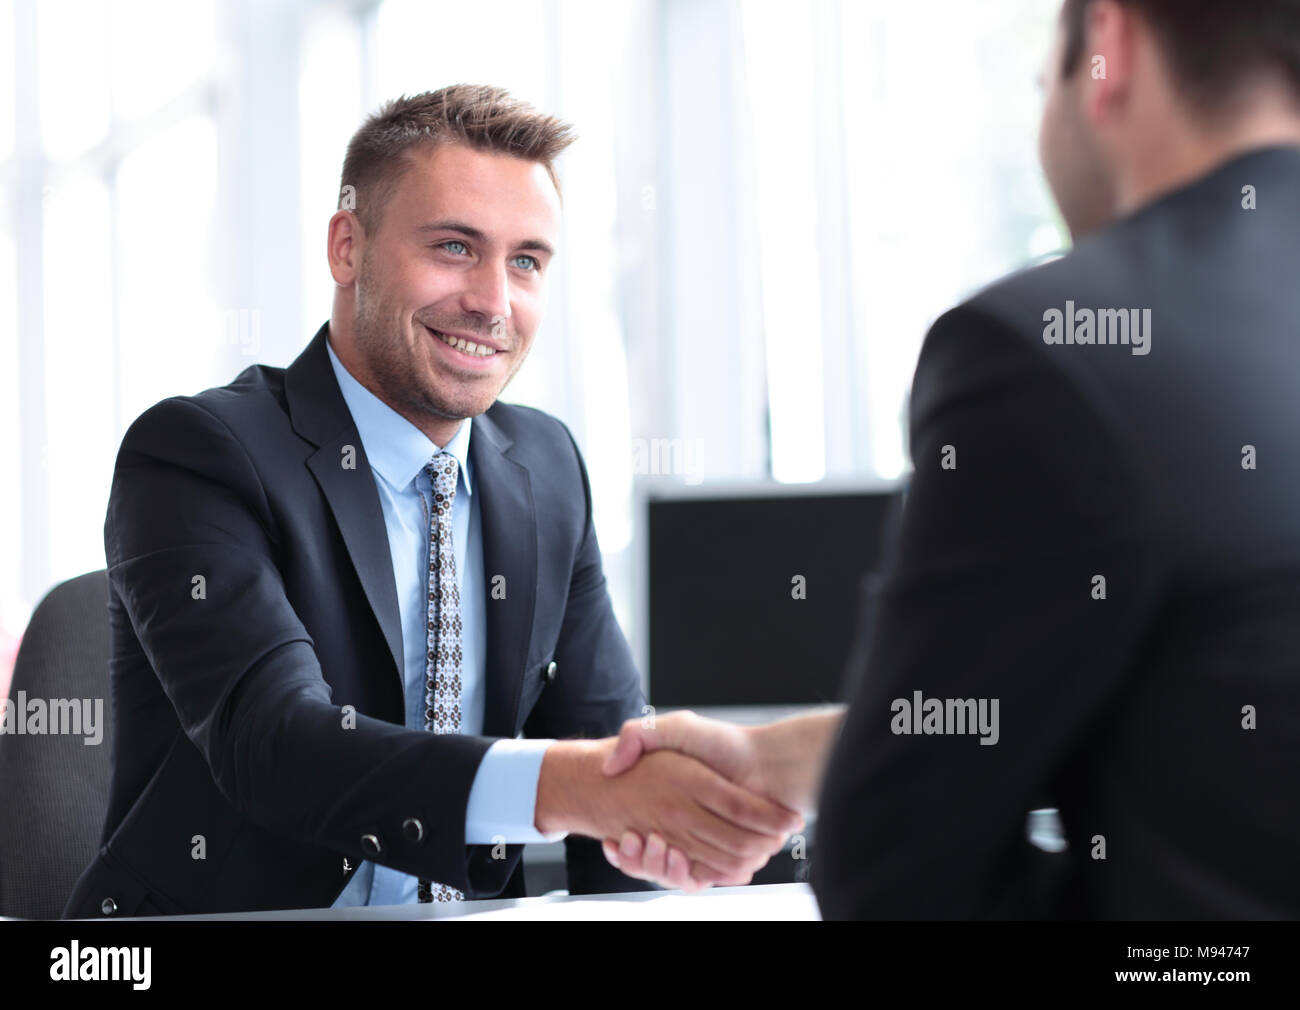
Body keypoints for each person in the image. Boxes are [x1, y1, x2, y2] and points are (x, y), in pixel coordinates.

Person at [603, 0, 1300, 919]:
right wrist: (789, 761)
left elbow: (901, 874)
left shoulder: (1052, 348)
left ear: (1110, 46)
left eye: (1039, 78)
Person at [62, 86, 801, 919]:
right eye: (455, 247)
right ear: (348, 247)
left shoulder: (545, 466)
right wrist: (573, 788)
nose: (493, 301)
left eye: (526, 261)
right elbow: (275, 748)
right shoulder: (200, 453)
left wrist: (689, 829)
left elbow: (612, 759)